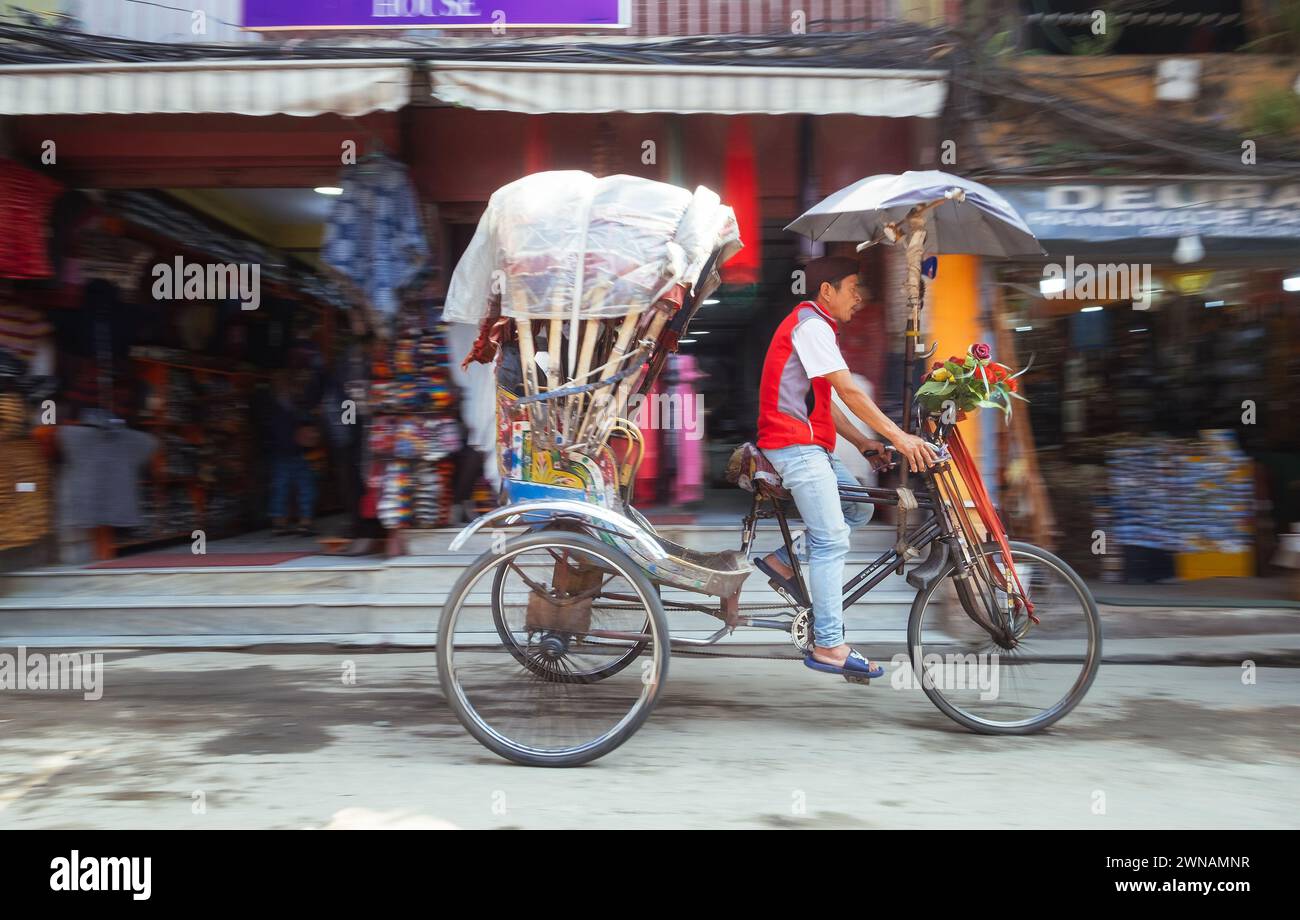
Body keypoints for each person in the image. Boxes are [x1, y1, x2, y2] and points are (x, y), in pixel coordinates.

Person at [753, 256, 938, 680]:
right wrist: (902, 438)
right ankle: (830, 645)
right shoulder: (812, 325)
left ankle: (784, 560)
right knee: (832, 537)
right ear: (826, 291)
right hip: (794, 447)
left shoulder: (815, 327)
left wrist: (864, 443)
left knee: (859, 509)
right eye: (852, 287)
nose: (859, 297)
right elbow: (851, 392)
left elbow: (826, 403)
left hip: (809, 447)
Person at [268, 369, 321, 536]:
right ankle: (297, 522)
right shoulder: (293, 405)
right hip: (291, 452)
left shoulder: (286, 405)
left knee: (286, 487)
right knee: (295, 487)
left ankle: (286, 522)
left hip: (292, 452)